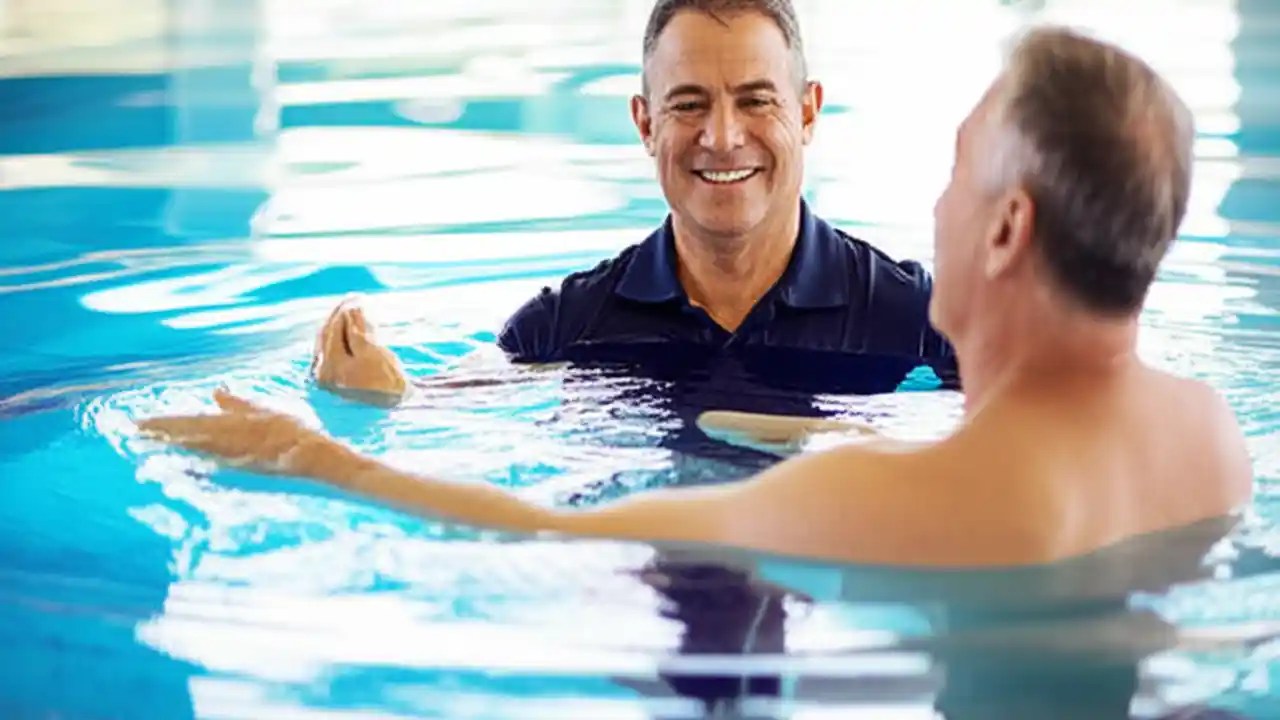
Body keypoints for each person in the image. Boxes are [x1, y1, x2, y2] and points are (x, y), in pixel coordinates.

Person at [137, 26, 1254, 568]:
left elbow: (538, 526)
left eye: (957, 176)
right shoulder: (1209, 435)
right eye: (687, 106)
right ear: (645, 121)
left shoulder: (901, 491)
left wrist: (315, 456)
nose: (936, 205)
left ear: (1007, 228)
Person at [311, 0, 958, 405]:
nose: (723, 137)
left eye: (757, 100)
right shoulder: (565, 325)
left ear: (808, 112)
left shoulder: (917, 318)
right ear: (645, 125)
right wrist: (377, 396)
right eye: (688, 104)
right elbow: (445, 406)